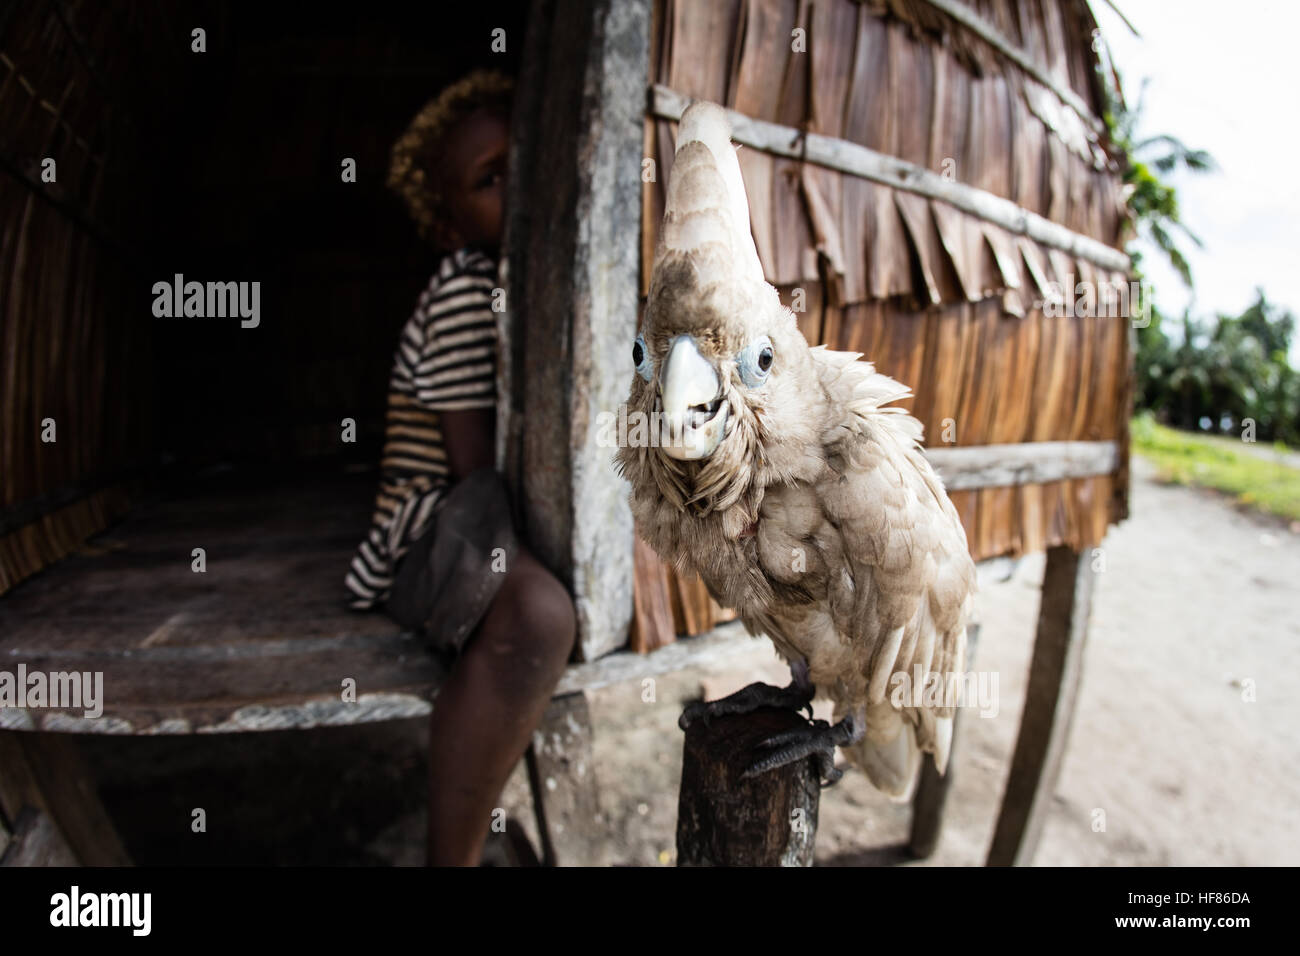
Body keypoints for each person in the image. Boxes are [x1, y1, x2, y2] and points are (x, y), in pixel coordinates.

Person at [345, 69, 574, 866]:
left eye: (521, 163)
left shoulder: (522, 282)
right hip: (429, 516)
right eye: (488, 180)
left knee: (541, 612)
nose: (512, 186)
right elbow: (472, 466)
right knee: (539, 618)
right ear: (449, 229)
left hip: (471, 506)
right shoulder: (460, 289)